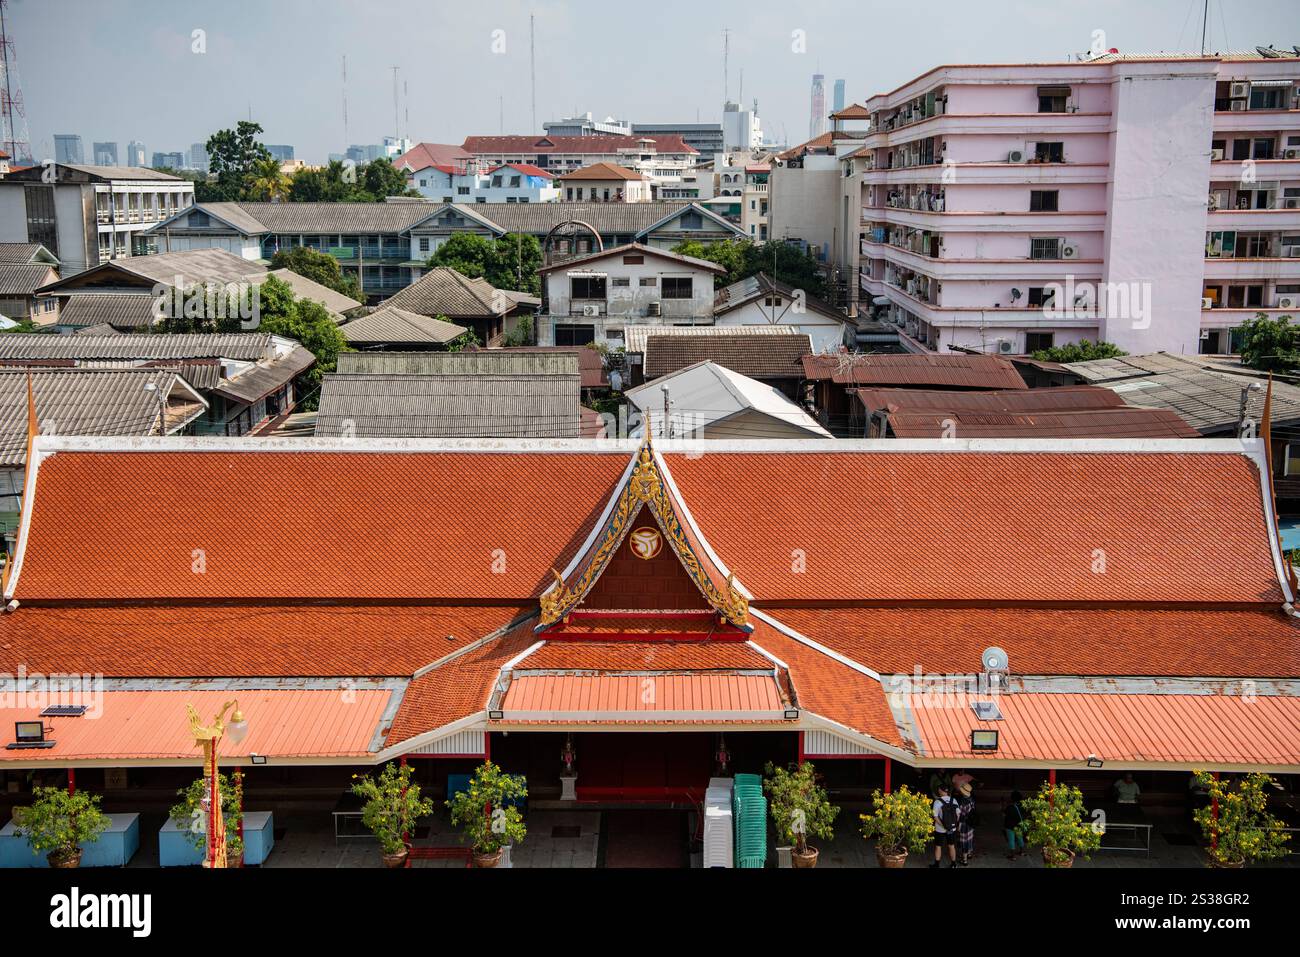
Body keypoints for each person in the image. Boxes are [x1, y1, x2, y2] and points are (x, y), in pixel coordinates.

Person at [930, 784, 960, 868]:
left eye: (939, 789)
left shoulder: (937, 801)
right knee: (951, 846)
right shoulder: (954, 800)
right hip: (952, 829)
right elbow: (958, 814)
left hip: (940, 829)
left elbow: (935, 816)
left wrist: (944, 826)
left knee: (938, 846)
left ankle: (937, 865)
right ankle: (953, 864)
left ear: (941, 791)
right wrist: (952, 824)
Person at [955, 782, 976, 865]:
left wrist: (958, 827)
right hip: (971, 823)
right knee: (970, 839)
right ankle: (969, 854)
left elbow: (961, 817)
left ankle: (964, 860)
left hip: (964, 824)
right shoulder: (972, 799)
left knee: (964, 842)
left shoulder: (964, 802)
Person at [1003, 789, 1026, 859]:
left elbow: (1004, 815)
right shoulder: (1022, 806)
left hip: (1009, 826)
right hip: (1019, 825)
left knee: (1011, 840)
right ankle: (1022, 852)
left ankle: (1013, 856)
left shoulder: (1009, 807)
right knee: (1020, 838)